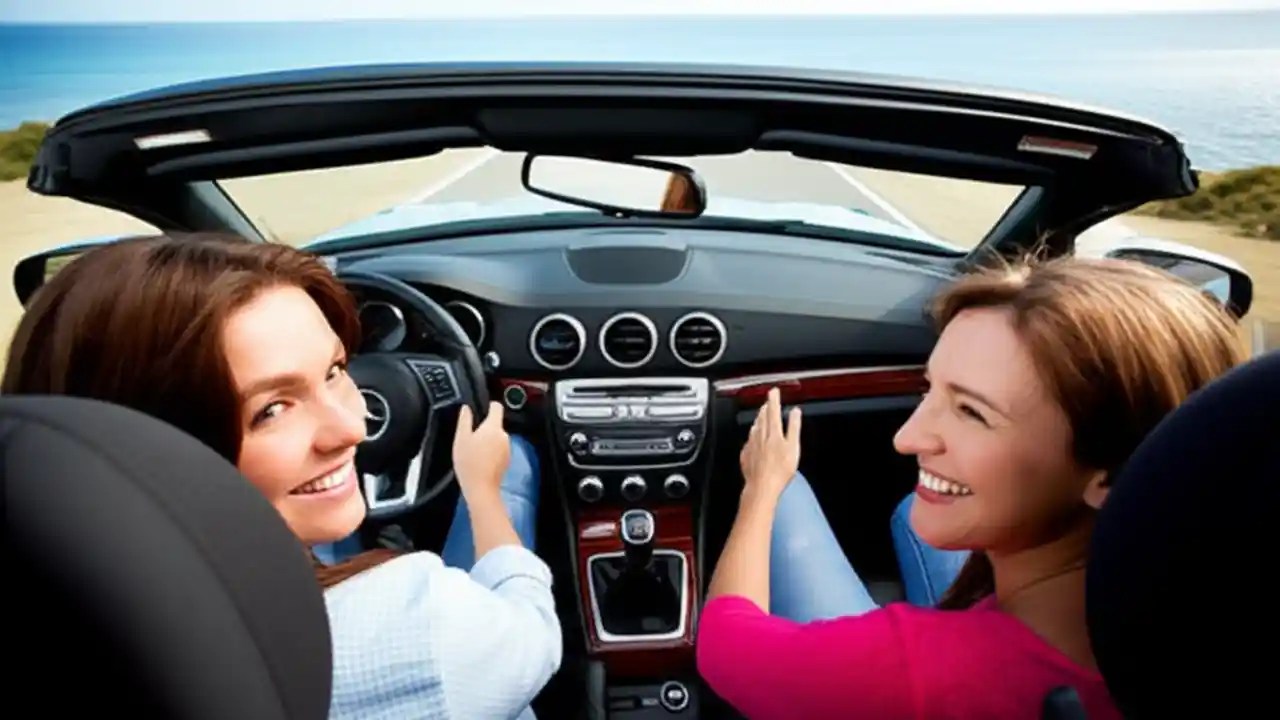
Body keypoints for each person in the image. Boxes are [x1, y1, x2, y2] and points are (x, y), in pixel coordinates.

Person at [2, 233, 562, 719]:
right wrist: (484, 488)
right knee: (511, 456)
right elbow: (534, 632)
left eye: (337, 371)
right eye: (271, 409)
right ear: (152, 442)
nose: (355, 426)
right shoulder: (418, 626)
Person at [696, 255, 1245, 719]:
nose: (906, 438)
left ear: (1113, 472)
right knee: (916, 503)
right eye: (928, 389)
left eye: (971, 412)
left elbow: (724, 648)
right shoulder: (1197, 613)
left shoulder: (917, 672)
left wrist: (761, 490)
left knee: (788, 487)